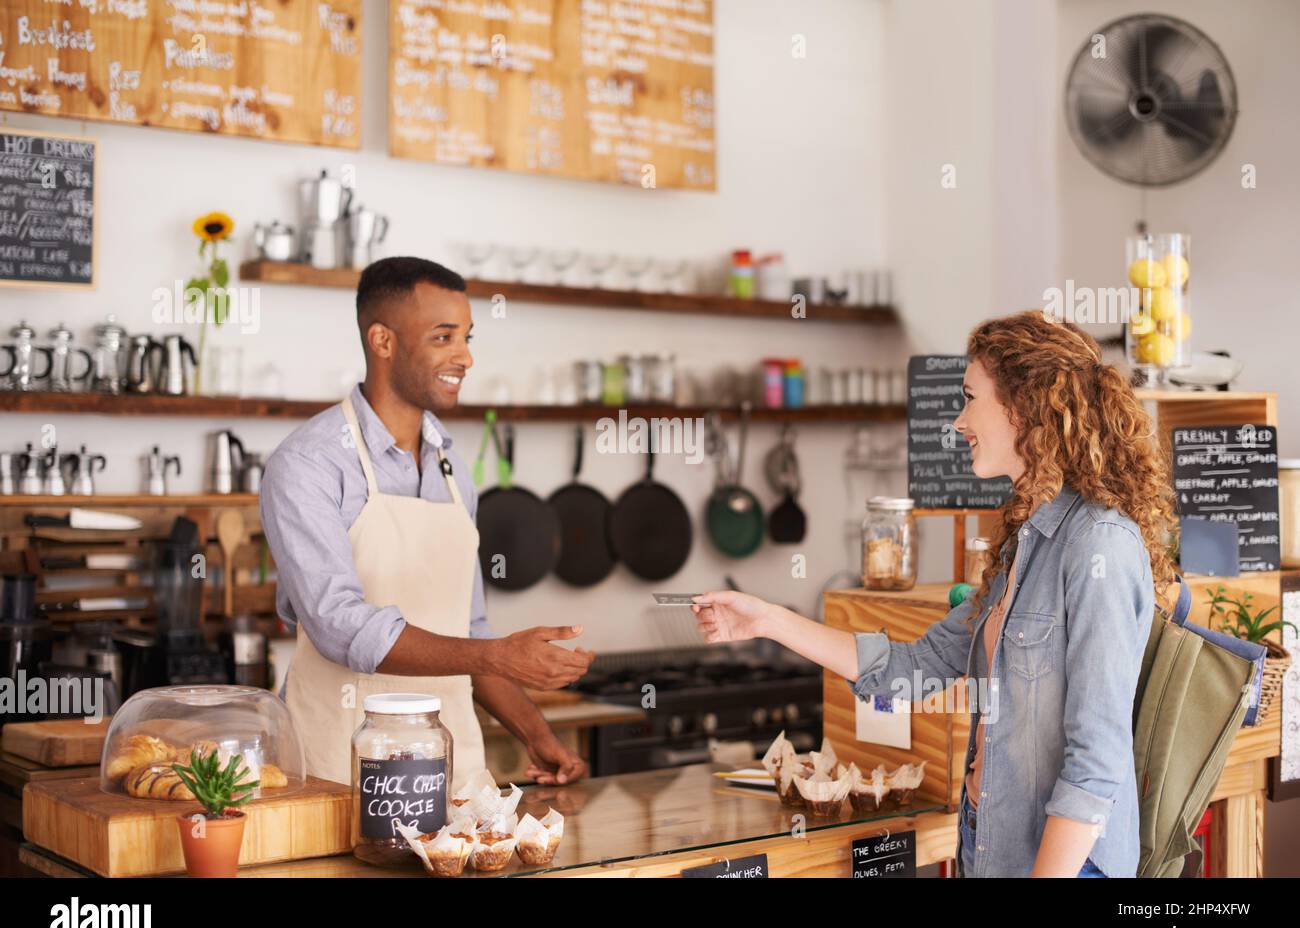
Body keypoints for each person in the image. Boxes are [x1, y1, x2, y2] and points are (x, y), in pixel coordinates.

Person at [693, 311, 1178, 877]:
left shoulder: (1100, 545)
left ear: (1025, 406)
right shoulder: (1026, 540)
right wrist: (769, 620)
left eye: (971, 398)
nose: (958, 420)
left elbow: (1096, 763)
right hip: (991, 845)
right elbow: (912, 668)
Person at [261, 256, 594, 787]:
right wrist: (501, 656)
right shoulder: (308, 463)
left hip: (453, 770)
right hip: (340, 769)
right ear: (383, 341)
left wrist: (537, 734)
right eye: (444, 337)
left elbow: (469, 630)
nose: (464, 357)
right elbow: (337, 623)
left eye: (467, 337)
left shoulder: (452, 466)